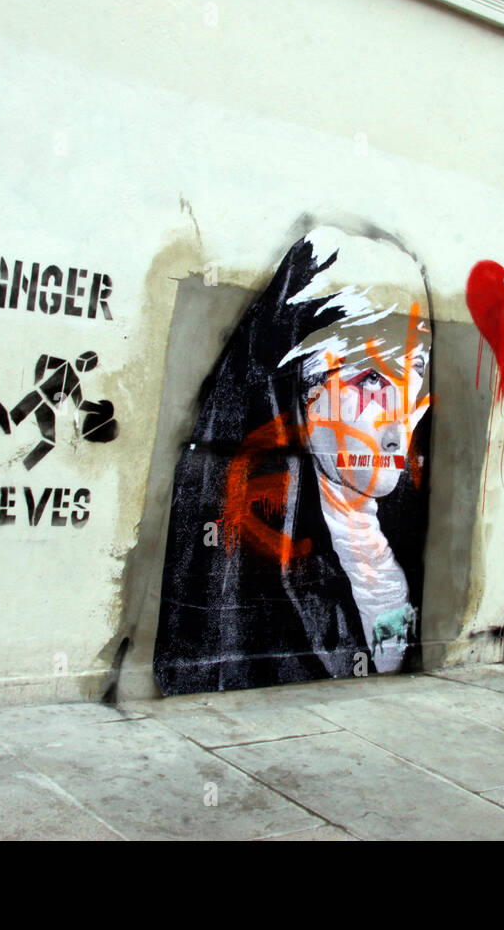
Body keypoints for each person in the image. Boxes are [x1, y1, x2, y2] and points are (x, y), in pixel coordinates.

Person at [153, 224, 433, 695]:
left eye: (417, 376)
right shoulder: (253, 554)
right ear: (302, 391)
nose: (398, 427)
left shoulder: (402, 543)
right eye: (370, 381)